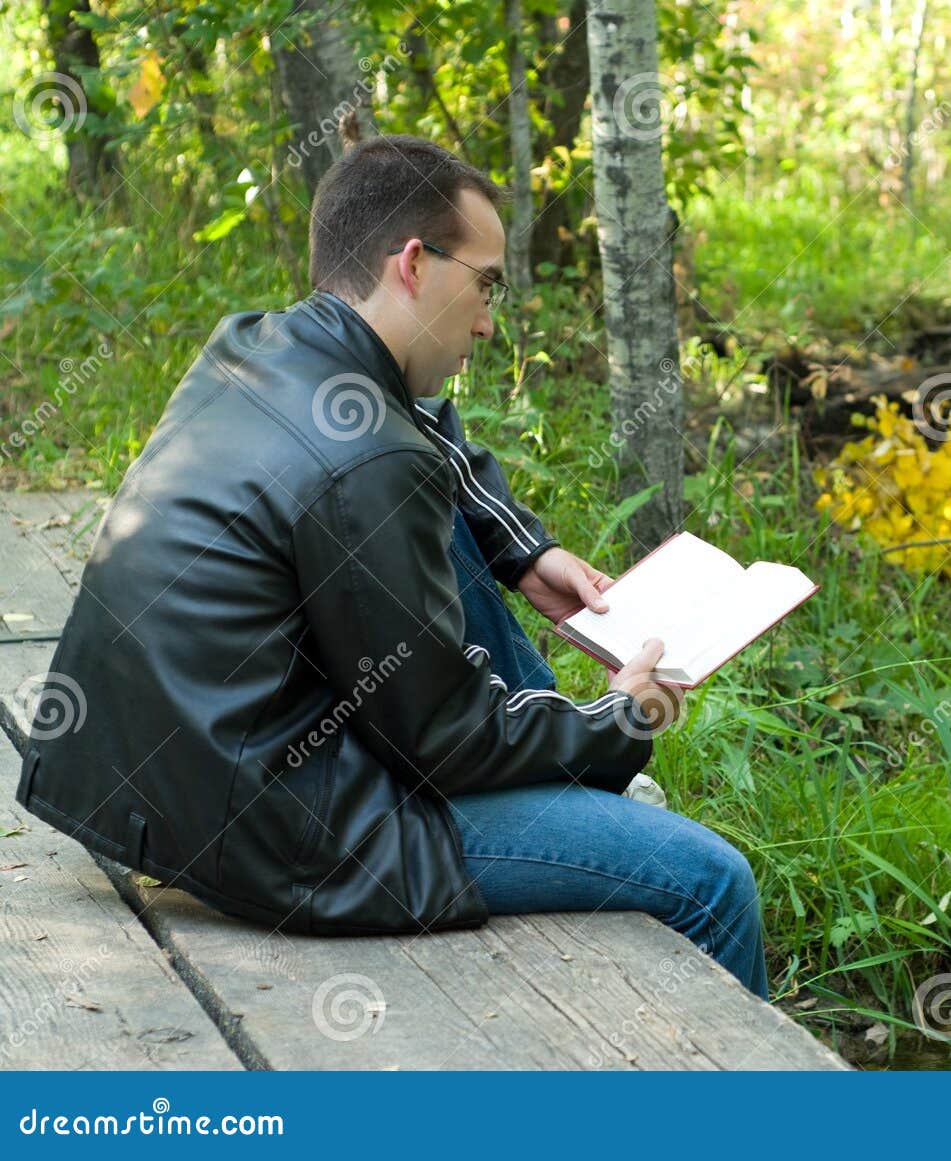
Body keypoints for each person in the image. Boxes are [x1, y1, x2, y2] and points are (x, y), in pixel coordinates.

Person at [13, 134, 767, 1000]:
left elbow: (424, 430)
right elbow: (448, 741)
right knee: (715, 882)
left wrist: (526, 551)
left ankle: (589, 790)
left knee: (440, 520)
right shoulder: (371, 459)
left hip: (151, 781)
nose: (488, 320)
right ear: (414, 263)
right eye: (485, 284)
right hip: (288, 832)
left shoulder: (253, 346)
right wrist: (620, 720)